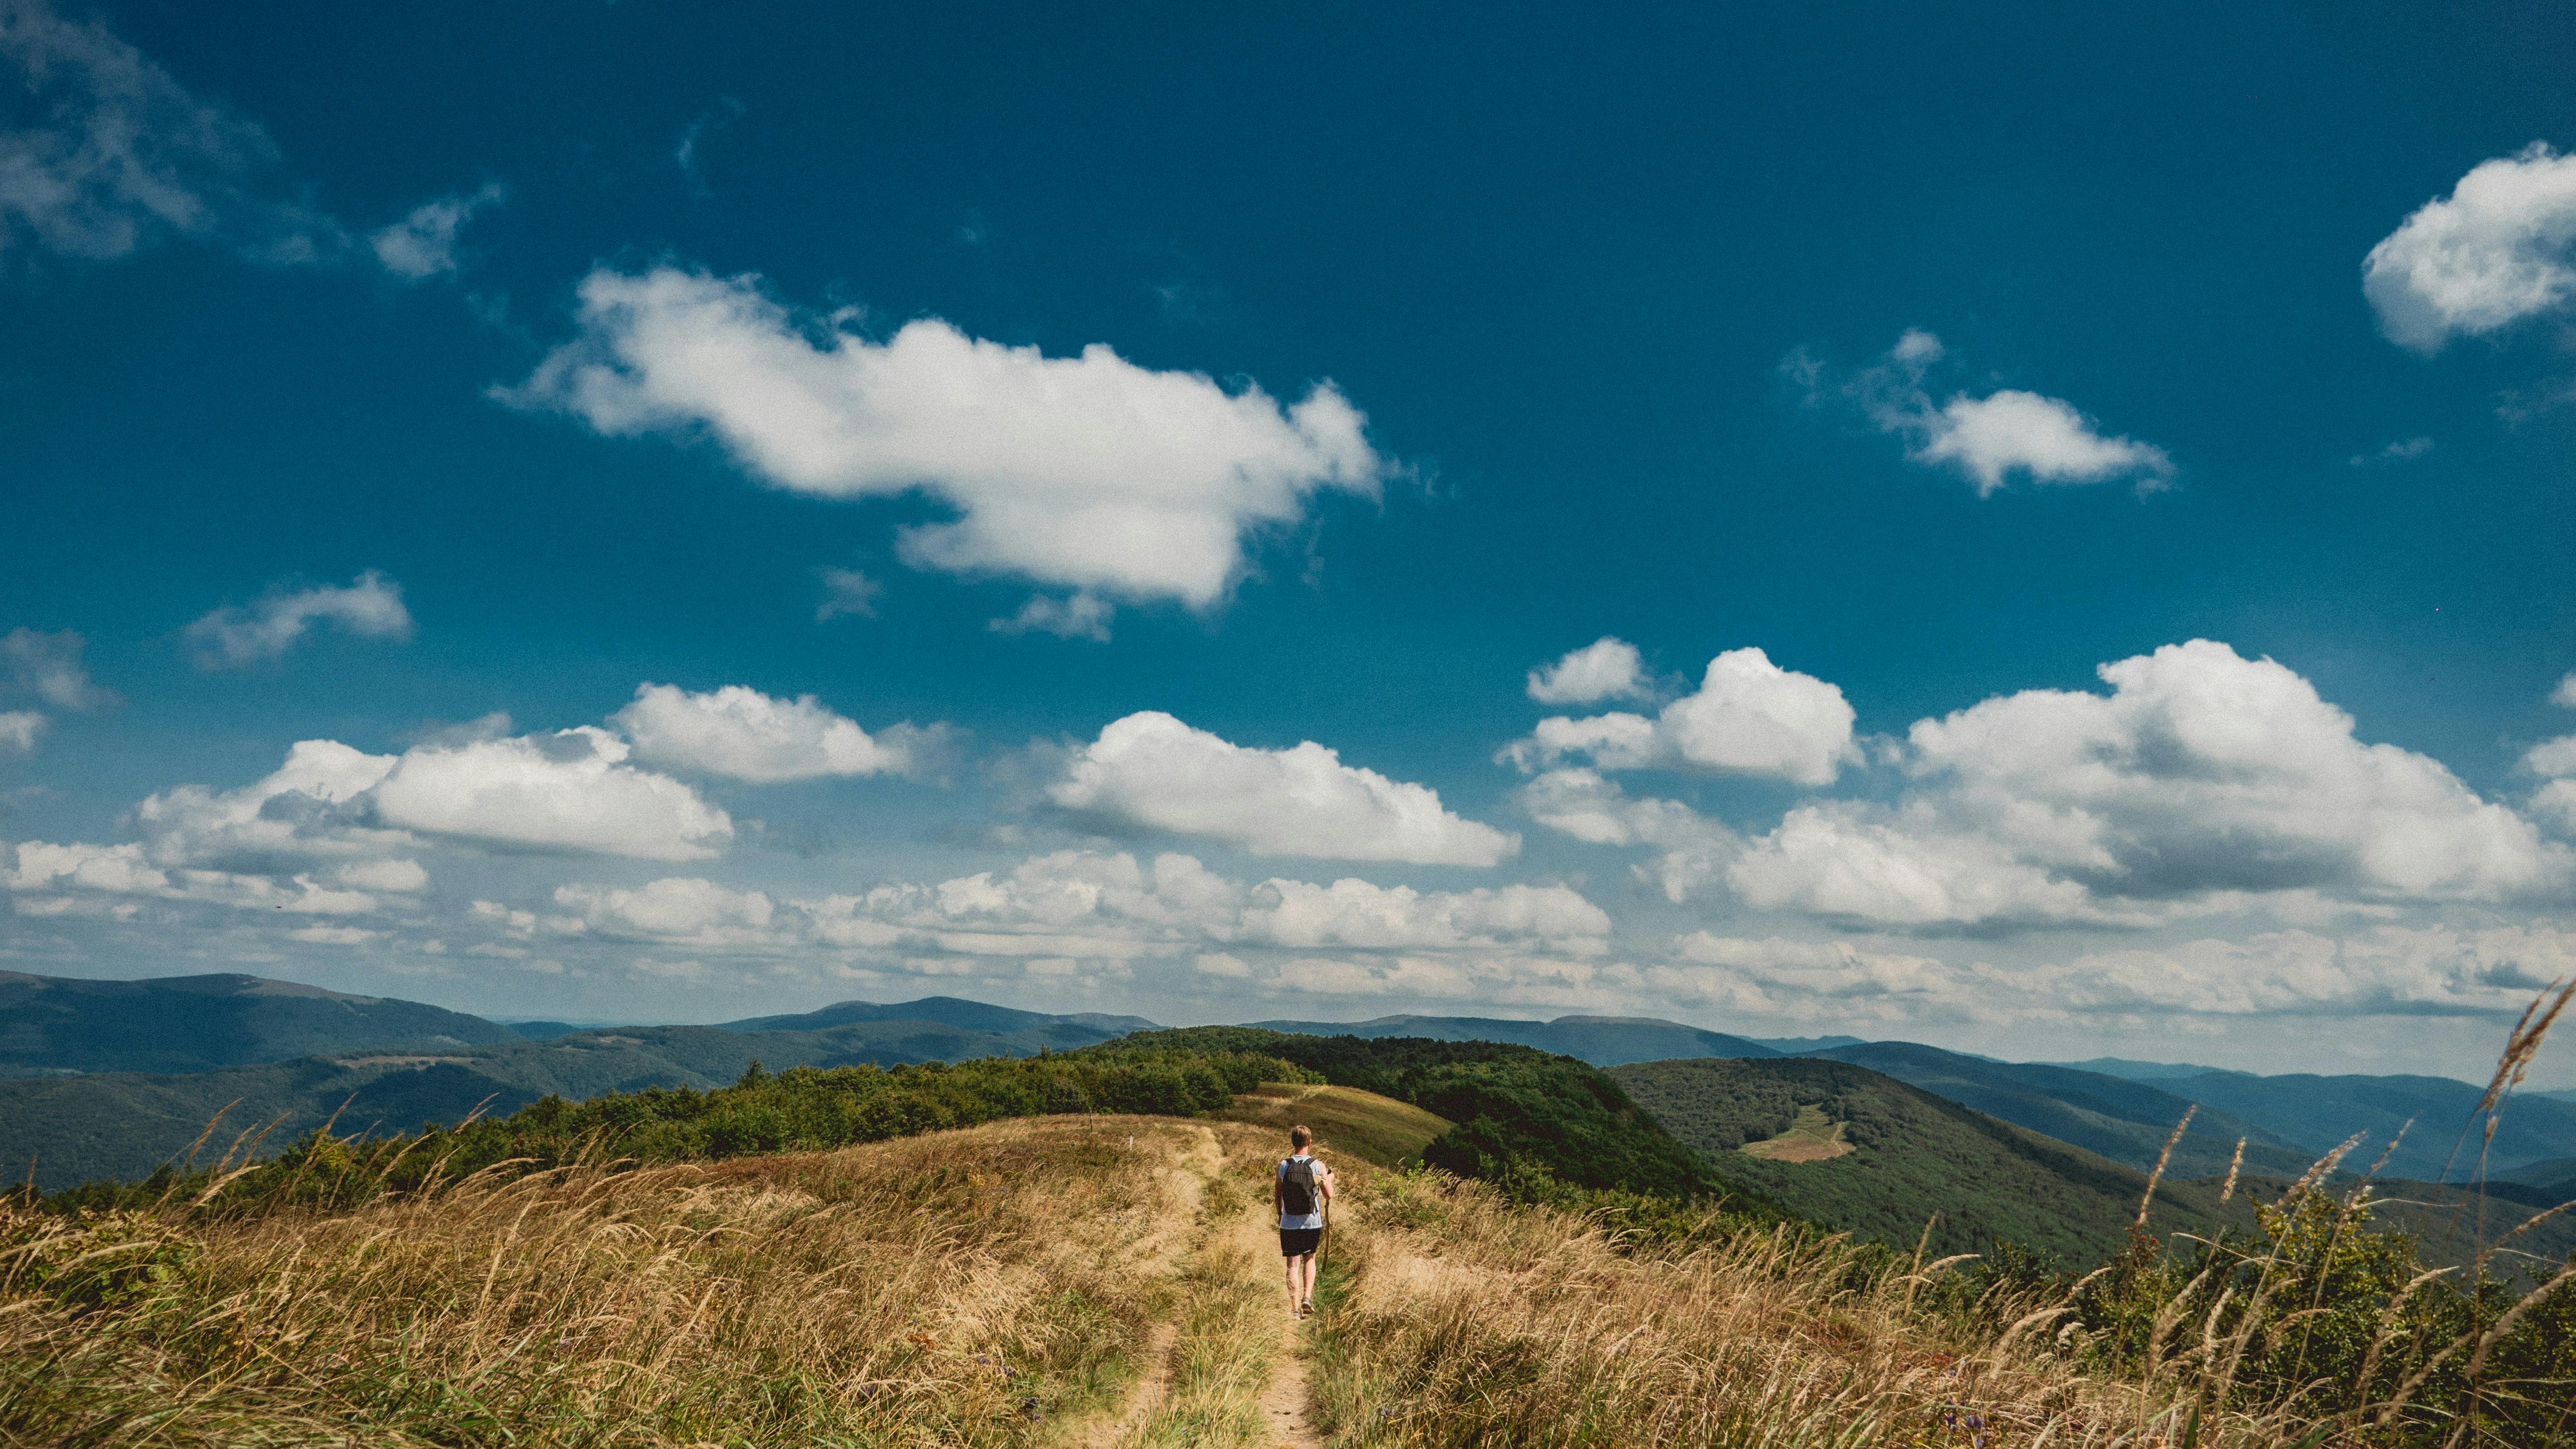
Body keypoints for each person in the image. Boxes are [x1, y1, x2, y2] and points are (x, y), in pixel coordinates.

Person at [1274, 1124, 1334, 1320]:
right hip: (1311, 1223)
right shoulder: (1318, 1166)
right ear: (1310, 1142)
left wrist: (1280, 1215)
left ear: (1292, 1142)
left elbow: (1278, 1194)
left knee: (1292, 1265)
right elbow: (1329, 1196)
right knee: (1310, 1259)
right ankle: (1307, 1297)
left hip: (1289, 1223)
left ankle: (1295, 1309)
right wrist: (1329, 1179)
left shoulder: (1284, 1166)